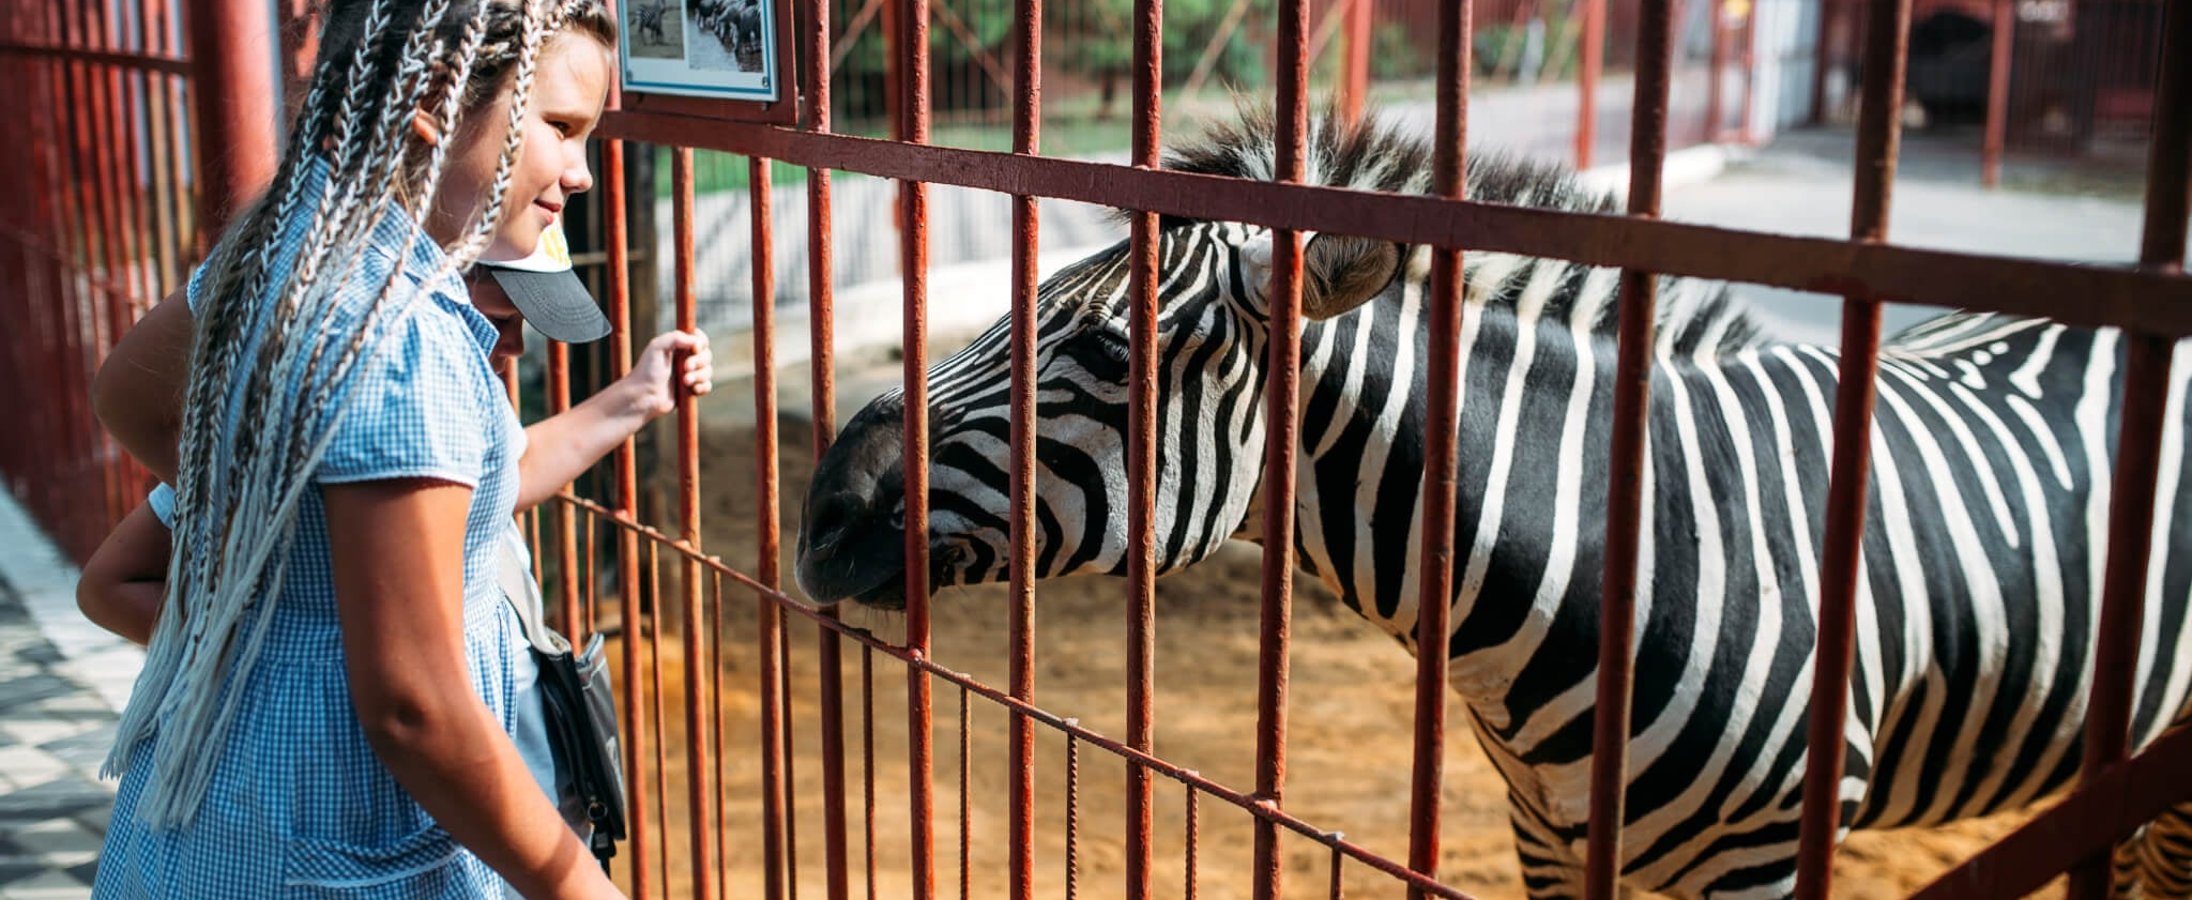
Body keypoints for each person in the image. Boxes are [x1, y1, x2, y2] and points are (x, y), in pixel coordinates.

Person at [75, 0, 710, 895]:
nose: (581, 172)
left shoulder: (289, 249)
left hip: (225, 823)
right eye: (562, 128)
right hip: (334, 836)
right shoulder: (404, 336)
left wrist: (292, 538)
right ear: (435, 97)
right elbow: (416, 710)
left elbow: (128, 392)